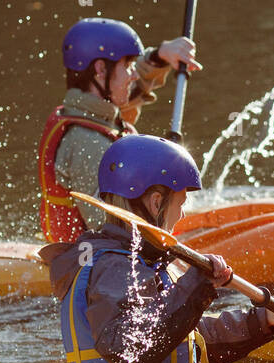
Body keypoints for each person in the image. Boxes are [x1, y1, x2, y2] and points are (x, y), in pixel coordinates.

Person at [48, 134, 274, 363]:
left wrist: (261, 321)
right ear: (156, 203)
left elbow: (185, 338)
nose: (181, 216)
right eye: (180, 204)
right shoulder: (117, 266)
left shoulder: (139, 262)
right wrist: (196, 285)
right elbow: (129, 347)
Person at [38, 17, 201, 242]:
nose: (133, 74)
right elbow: (113, 229)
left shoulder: (95, 110)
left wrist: (159, 56)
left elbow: (133, 84)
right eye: (127, 65)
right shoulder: (87, 142)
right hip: (87, 261)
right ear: (100, 69)